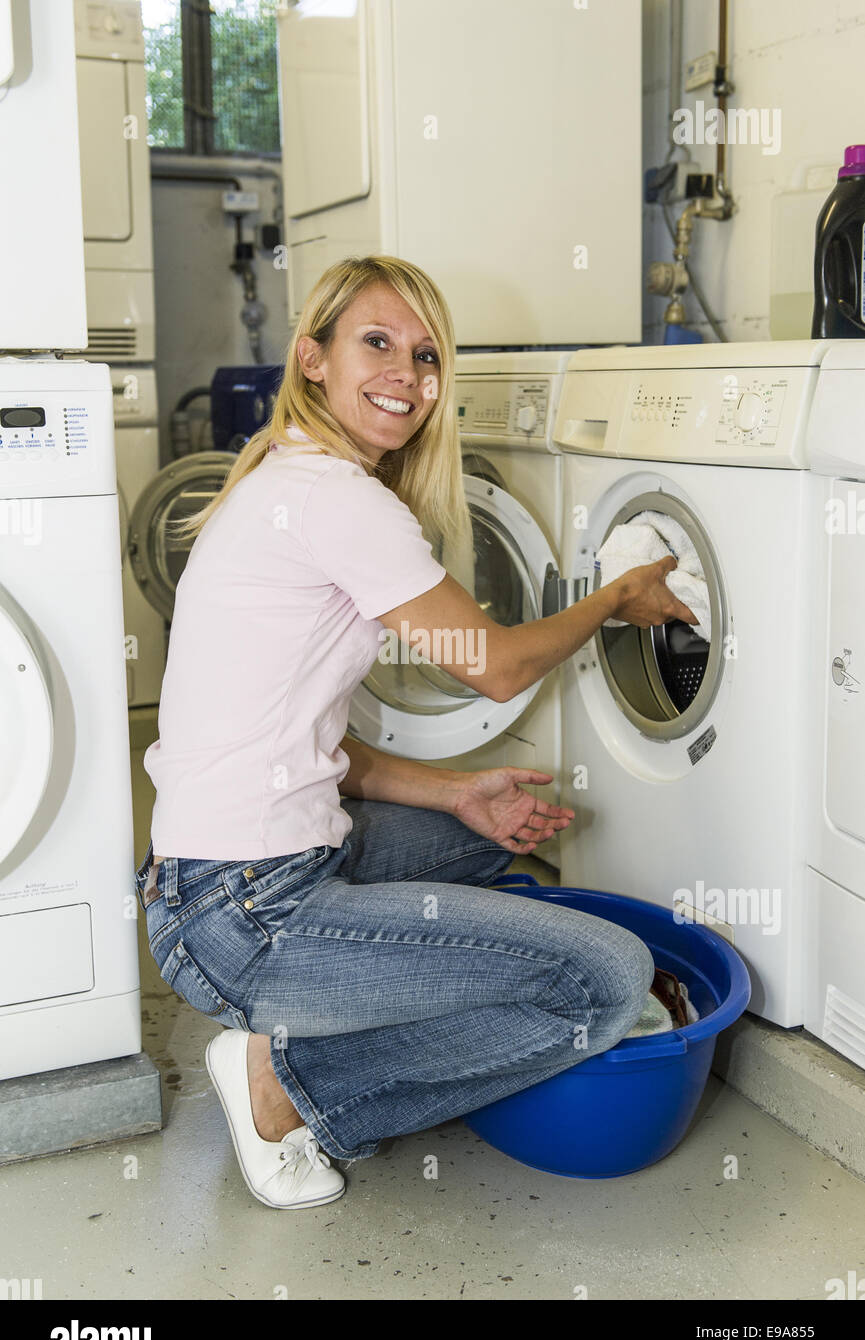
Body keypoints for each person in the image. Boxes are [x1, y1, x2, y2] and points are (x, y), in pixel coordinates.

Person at [134, 255, 698, 1211]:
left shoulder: (284, 476)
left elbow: (304, 739)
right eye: (378, 344)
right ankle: (286, 1090)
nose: (407, 375)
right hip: (243, 918)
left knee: (466, 846)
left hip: (207, 883)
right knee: (607, 979)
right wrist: (618, 596)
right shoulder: (338, 499)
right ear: (312, 359)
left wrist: (453, 792)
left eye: (426, 355)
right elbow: (497, 666)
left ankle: (304, 1027)